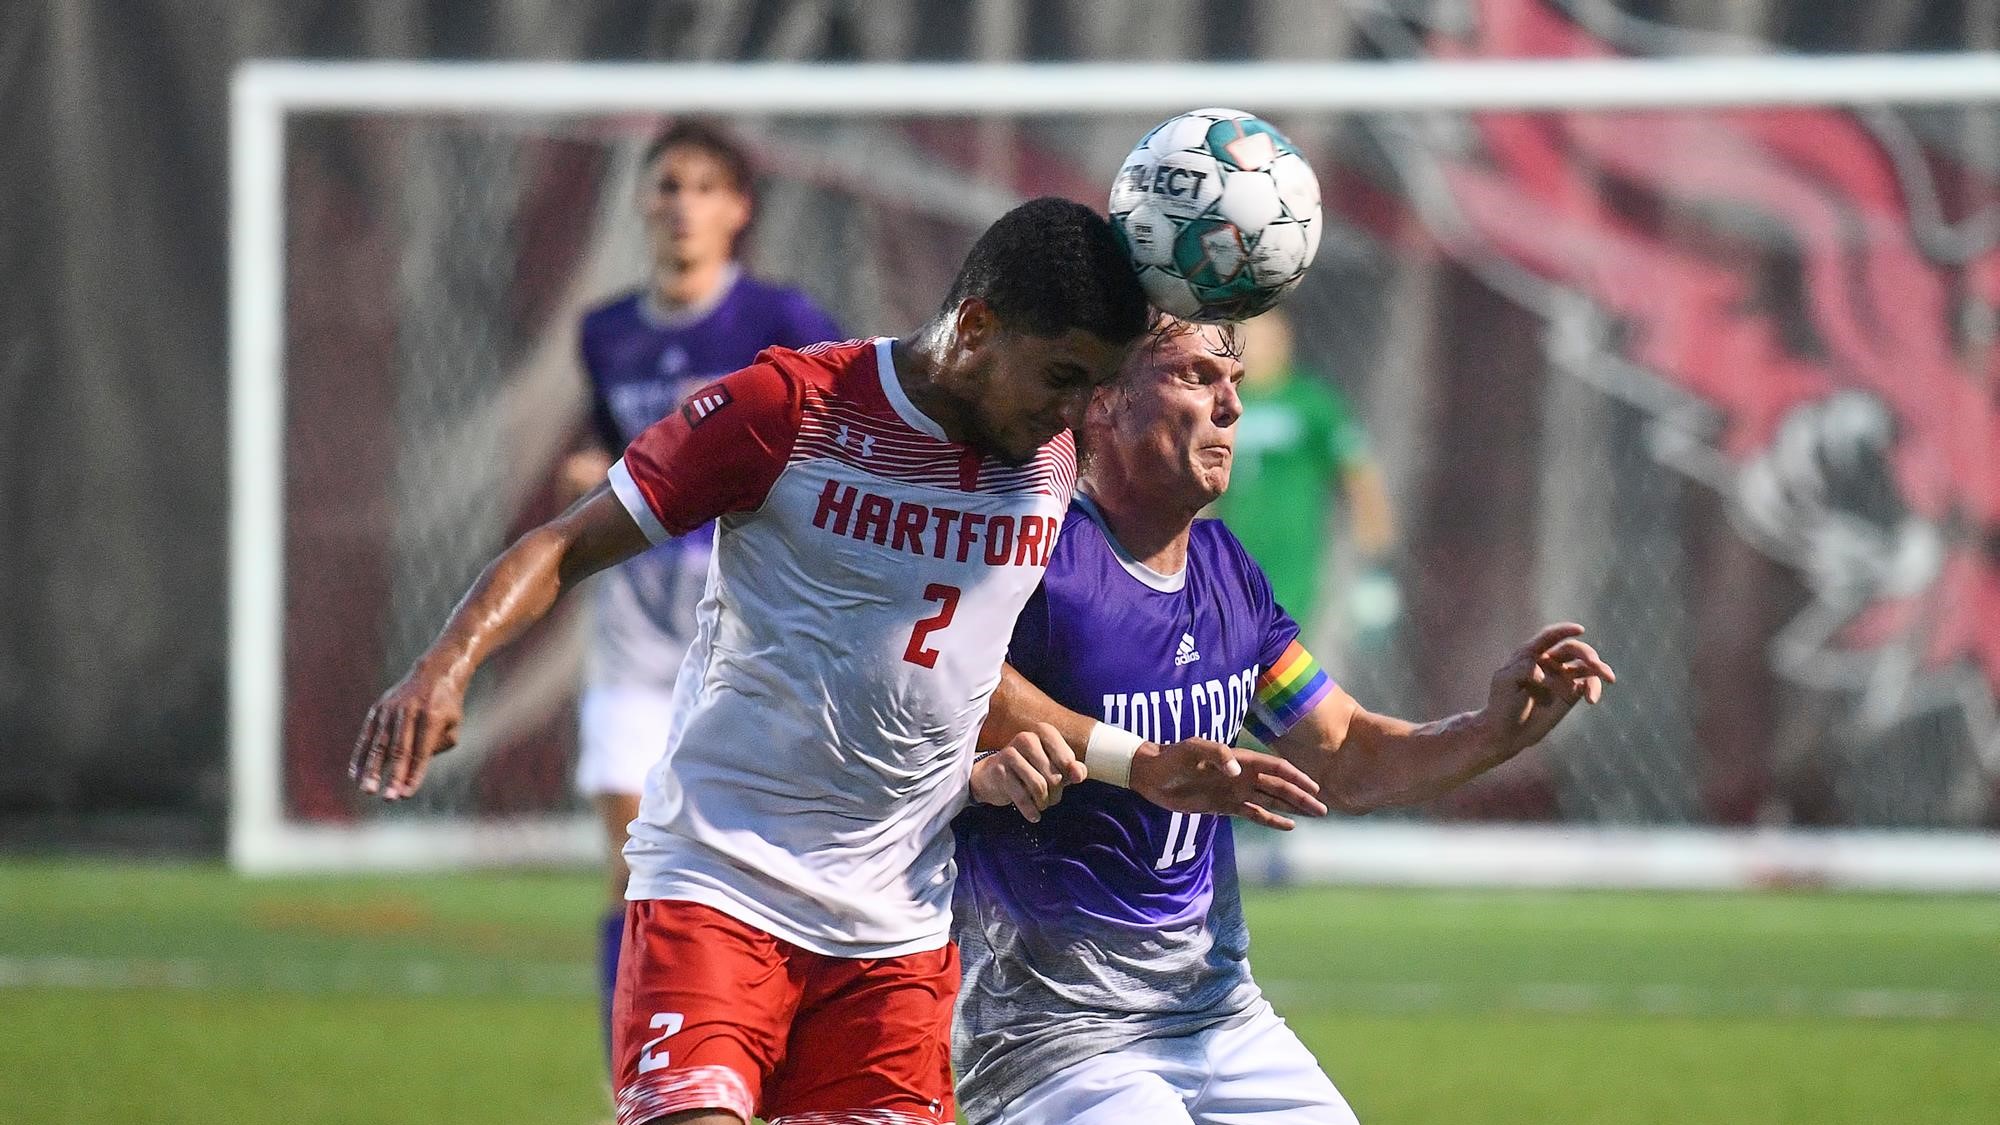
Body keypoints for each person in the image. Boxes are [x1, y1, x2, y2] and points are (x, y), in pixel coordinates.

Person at [349, 198, 1324, 1125]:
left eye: (1095, 388)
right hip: (720, 883)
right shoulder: (790, 407)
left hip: (899, 929)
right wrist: (447, 663)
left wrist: (1135, 764)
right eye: (1061, 378)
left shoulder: (1050, 459)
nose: (1075, 413)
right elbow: (567, 543)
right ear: (975, 327)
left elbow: (967, 681)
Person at [951, 316, 1616, 1125]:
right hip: (1051, 1041)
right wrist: (1140, 761)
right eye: (1197, 376)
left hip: (1219, 1019)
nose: (1232, 405)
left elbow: (1348, 754)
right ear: (1104, 401)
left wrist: (1494, 728)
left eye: (1233, 381)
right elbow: (958, 679)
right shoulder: (1038, 550)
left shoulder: (1229, 573)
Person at [563, 120, 841, 1055]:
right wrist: (593, 470)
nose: (682, 203)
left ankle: (770, 1056)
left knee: (764, 873)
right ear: (644, 200)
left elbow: (844, 431)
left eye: (703, 187)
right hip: (638, 641)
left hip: (751, 647)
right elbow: (626, 459)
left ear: (738, 211)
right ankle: (636, 1083)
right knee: (632, 864)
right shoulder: (603, 332)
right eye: (667, 184)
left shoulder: (780, 322)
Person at [1215, 308, 1397, 645]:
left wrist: (1376, 565)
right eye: (1247, 339)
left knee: (1280, 653)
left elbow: (1359, 478)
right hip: (1229, 556)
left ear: (1285, 341)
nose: (1255, 349)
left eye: (1265, 339)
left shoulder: (1312, 403)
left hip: (1292, 559)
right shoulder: (1221, 404)